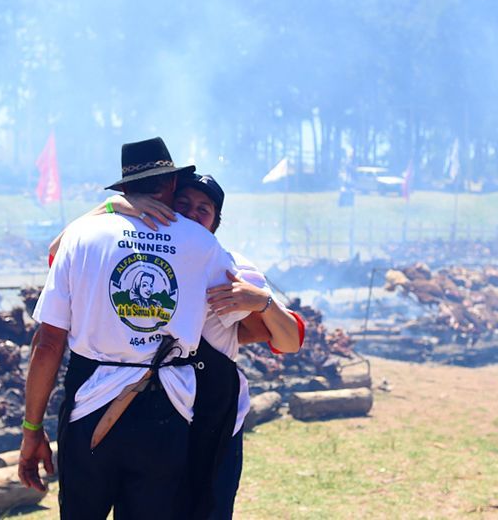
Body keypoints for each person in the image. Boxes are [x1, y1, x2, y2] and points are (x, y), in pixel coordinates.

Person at [18, 137, 245, 519]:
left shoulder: (81, 235)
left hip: (88, 406)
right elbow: (241, 312)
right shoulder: (201, 243)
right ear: (171, 184)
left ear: (124, 187)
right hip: (167, 410)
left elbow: (48, 344)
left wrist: (31, 429)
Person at [56, 173, 303, 519]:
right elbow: (59, 253)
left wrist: (263, 302)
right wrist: (112, 206)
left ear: (216, 221)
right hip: (161, 416)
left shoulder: (228, 266)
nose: (191, 214)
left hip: (214, 417)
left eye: (204, 209)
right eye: (183, 204)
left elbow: (287, 340)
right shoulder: (141, 259)